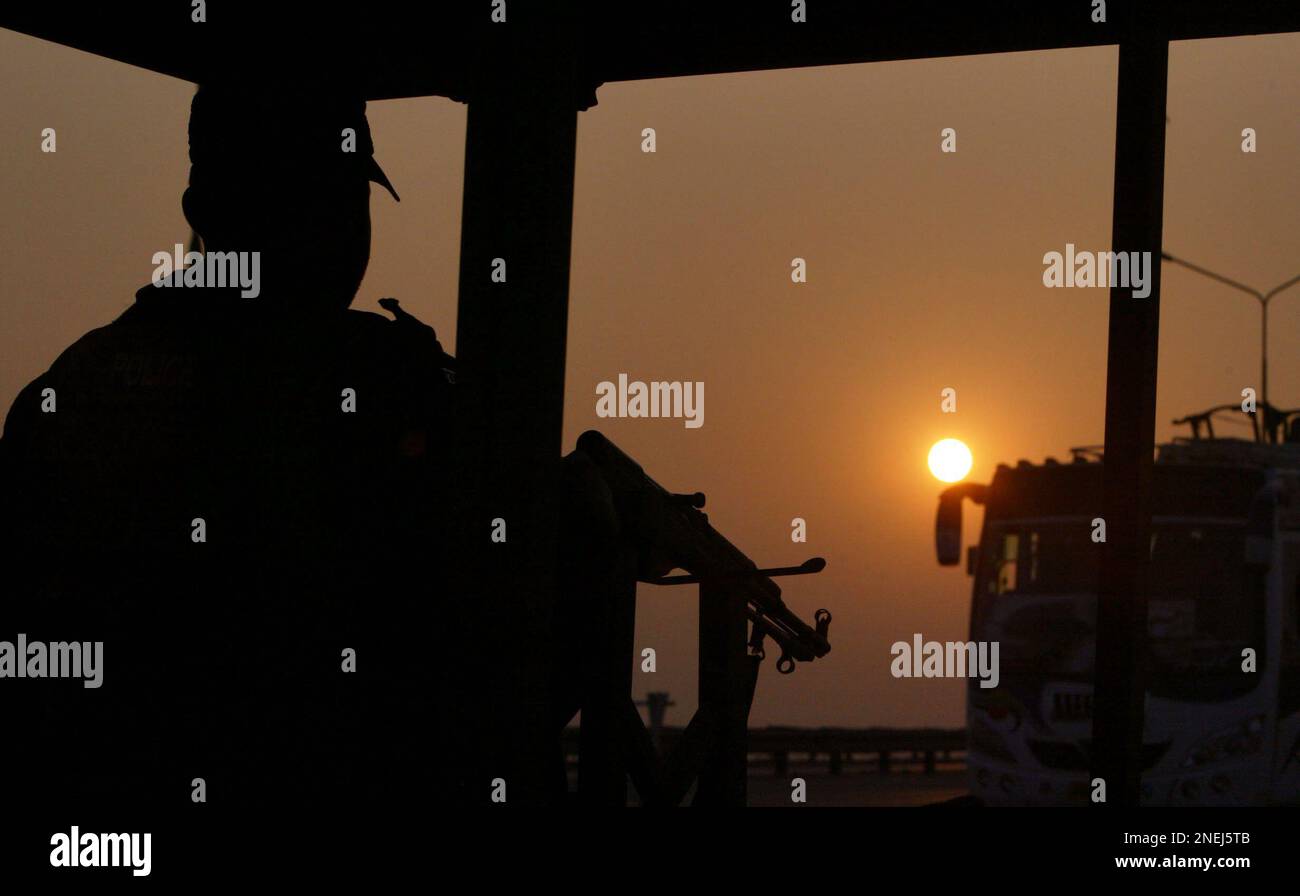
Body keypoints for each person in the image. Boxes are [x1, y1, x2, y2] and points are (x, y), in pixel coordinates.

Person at [0, 82, 456, 810]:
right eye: (307, 204)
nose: (338, 235)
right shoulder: (381, 385)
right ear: (210, 212)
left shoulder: (77, 384)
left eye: (347, 203)